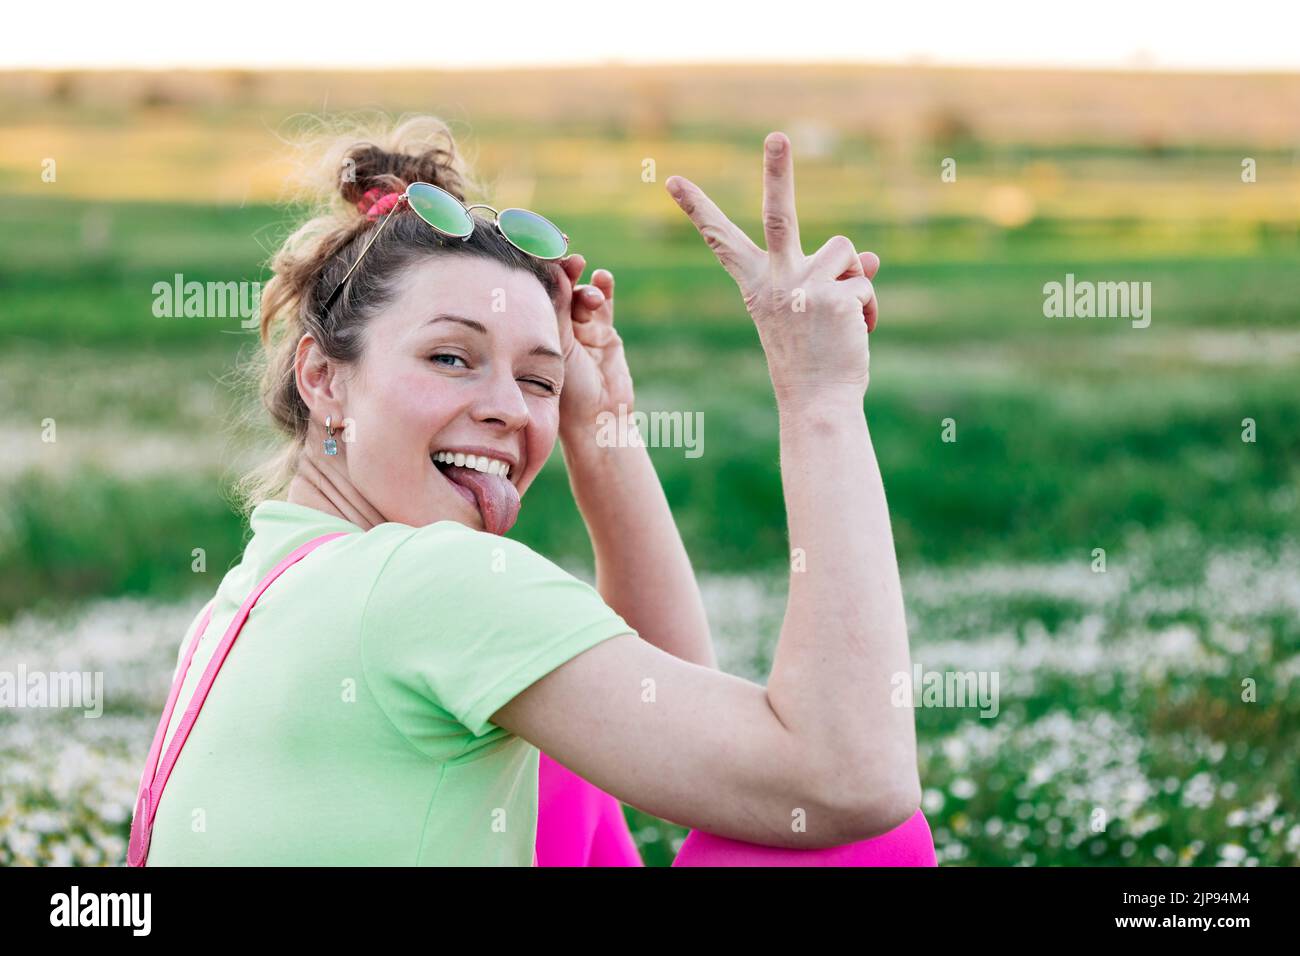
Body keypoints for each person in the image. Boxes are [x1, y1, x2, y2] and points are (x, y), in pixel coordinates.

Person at [138, 114, 933, 866]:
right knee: (856, 838)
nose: (509, 408)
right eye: (451, 357)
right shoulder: (426, 579)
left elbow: (666, 709)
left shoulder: (246, 602)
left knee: (567, 772)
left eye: (538, 378)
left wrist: (600, 427)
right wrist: (818, 396)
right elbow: (850, 779)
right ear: (323, 378)